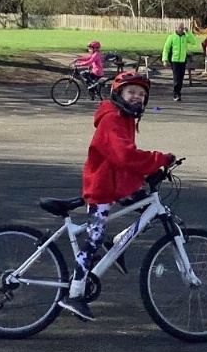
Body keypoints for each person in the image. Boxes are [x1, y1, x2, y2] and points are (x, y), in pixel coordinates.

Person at [58, 71, 174, 322]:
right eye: (131, 92)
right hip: (102, 187)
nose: (137, 97)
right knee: (94, 236)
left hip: (119, 184)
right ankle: (75, 293)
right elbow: (125, 155)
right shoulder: (111, 119)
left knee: (148, 210)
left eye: (142, 95)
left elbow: (127, 157)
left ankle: (116, 242)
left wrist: (150, 170)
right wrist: (158, 159)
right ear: (118, 93)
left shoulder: (126, 117)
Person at [161, 21, 199, 102]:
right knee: (176, 77)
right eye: (179, 28)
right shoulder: (171, 37)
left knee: (181, 78)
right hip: (174, 60)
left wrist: (189, 32)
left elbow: (194, 42)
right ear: (176, 28)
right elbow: (166, 48)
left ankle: (178, 92)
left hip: (182, 60)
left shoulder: (185, 37)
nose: (181, 30)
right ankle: (176, 94)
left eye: (182, 28)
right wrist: (165, 60)